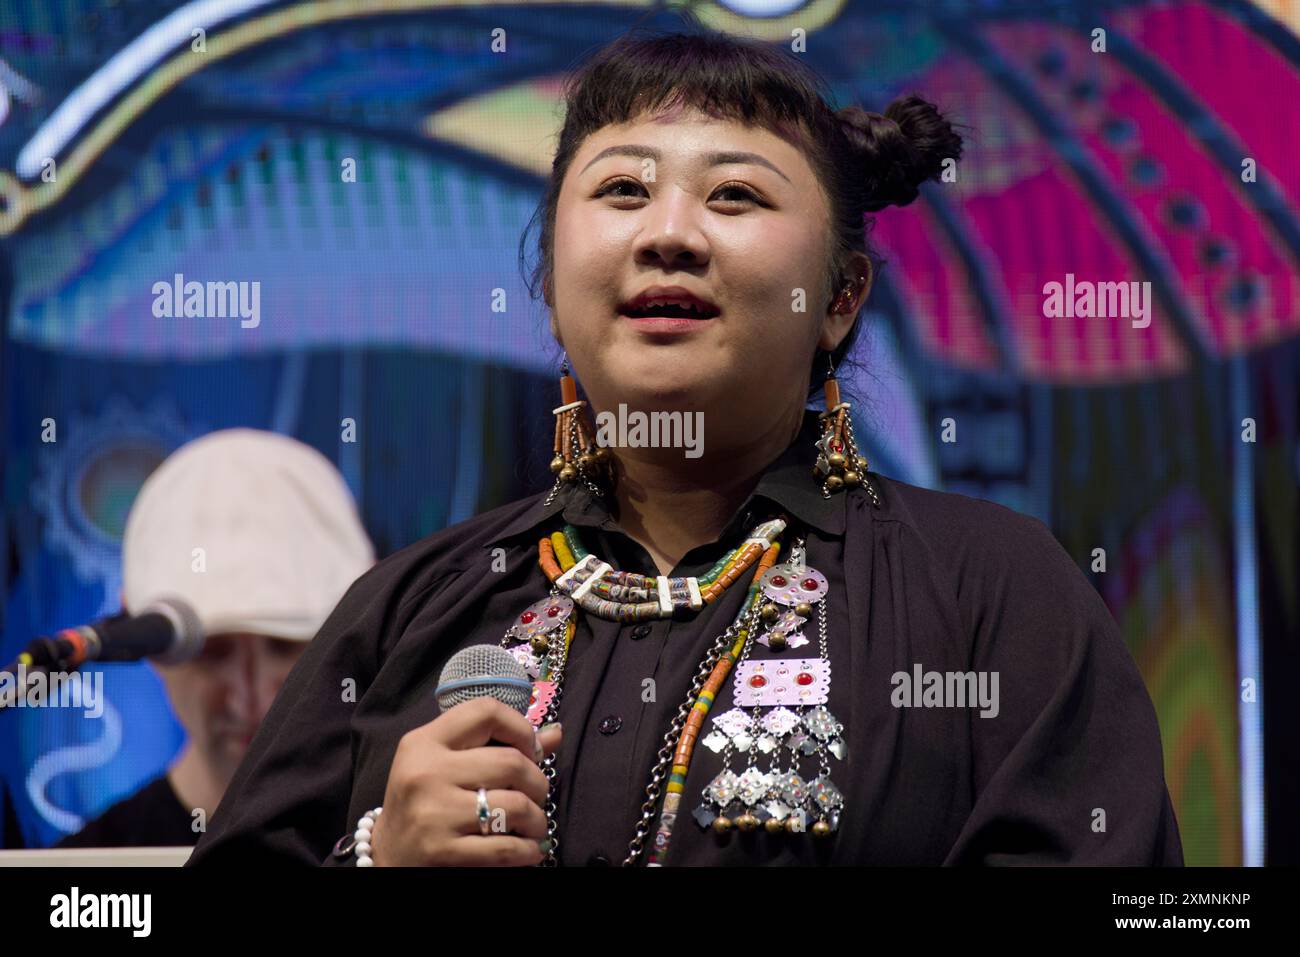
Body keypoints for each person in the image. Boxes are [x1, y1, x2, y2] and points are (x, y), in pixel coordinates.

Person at [189, 31, 1183, 867]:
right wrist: (378, 857)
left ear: (838, 297)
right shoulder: (409, 609)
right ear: (547, 283)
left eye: (736, 197)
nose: (668, 234)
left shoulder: (992, 594)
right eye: (621, 189)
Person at [57, 429, 374, 847]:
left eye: (285, 646)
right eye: (211, 651)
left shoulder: (411, 843)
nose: (251, 696)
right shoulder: (87, 876)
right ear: (142, 639)